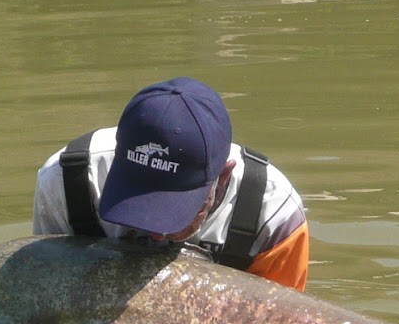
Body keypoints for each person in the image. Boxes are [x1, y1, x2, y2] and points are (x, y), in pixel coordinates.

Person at [33, 77, 310, 291]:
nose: (155, 234)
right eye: (136, 204)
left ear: (222, 178)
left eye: (175, 213)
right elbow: (49, 299)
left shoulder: (274, 215)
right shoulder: (68, 184)